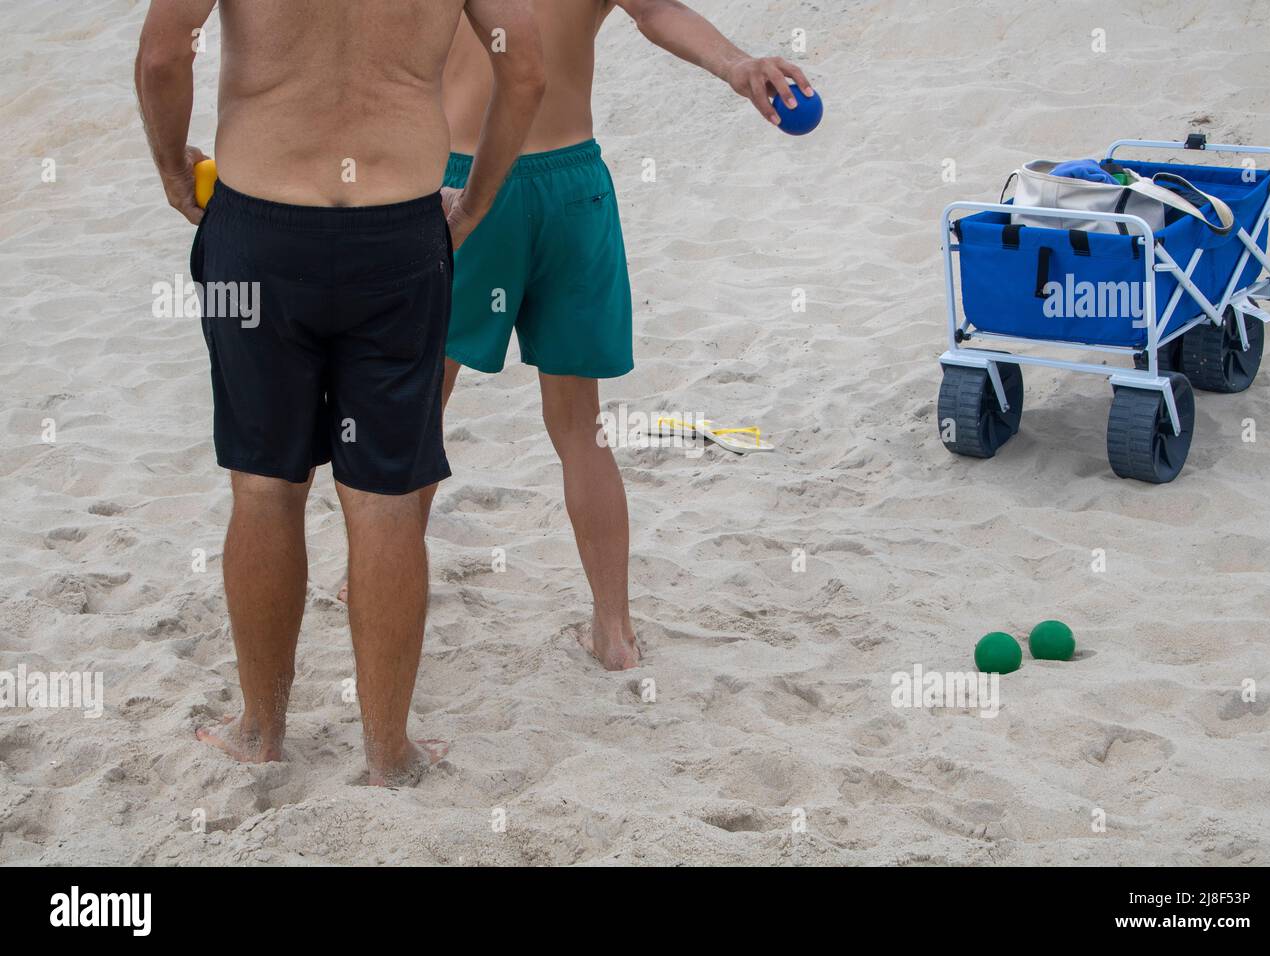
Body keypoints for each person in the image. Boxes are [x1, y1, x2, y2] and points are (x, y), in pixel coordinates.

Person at [135, 0, 545, 785]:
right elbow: (522, 63)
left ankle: (261, 730)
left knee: (263, 486)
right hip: (398, 233)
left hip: (258, 230)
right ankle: (388, 755)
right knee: (388, 495)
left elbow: (162, 58)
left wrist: (169, 169)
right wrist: (477, 202)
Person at [416, 0, 814, 670]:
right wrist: (737, 66)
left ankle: (381, 576)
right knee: (580, 426)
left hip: (465, 181)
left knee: (419, 404)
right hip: (573, 185)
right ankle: (615, 633)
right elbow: (656, 11)